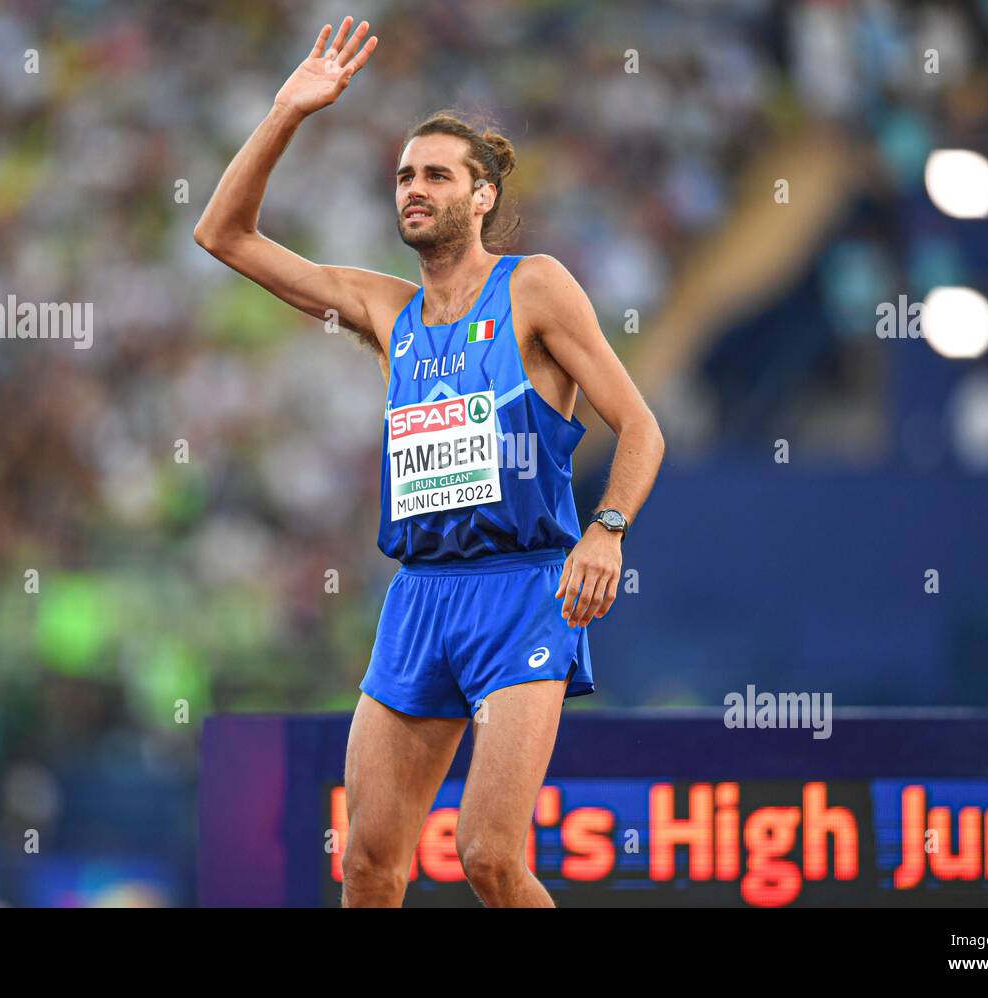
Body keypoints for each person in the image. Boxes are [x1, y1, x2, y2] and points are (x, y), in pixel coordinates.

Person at [194, 16, 665, 907]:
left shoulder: (533, 287)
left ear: (481, 196)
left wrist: (605, 530)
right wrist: (288, 113)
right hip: (419, 596)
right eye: (404, 176)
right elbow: (225, 236)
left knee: (489, 854)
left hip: (526, 587)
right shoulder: (386, 310)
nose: (413, 189)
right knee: (369, 863)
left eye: (436, 175)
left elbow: (640, 427)